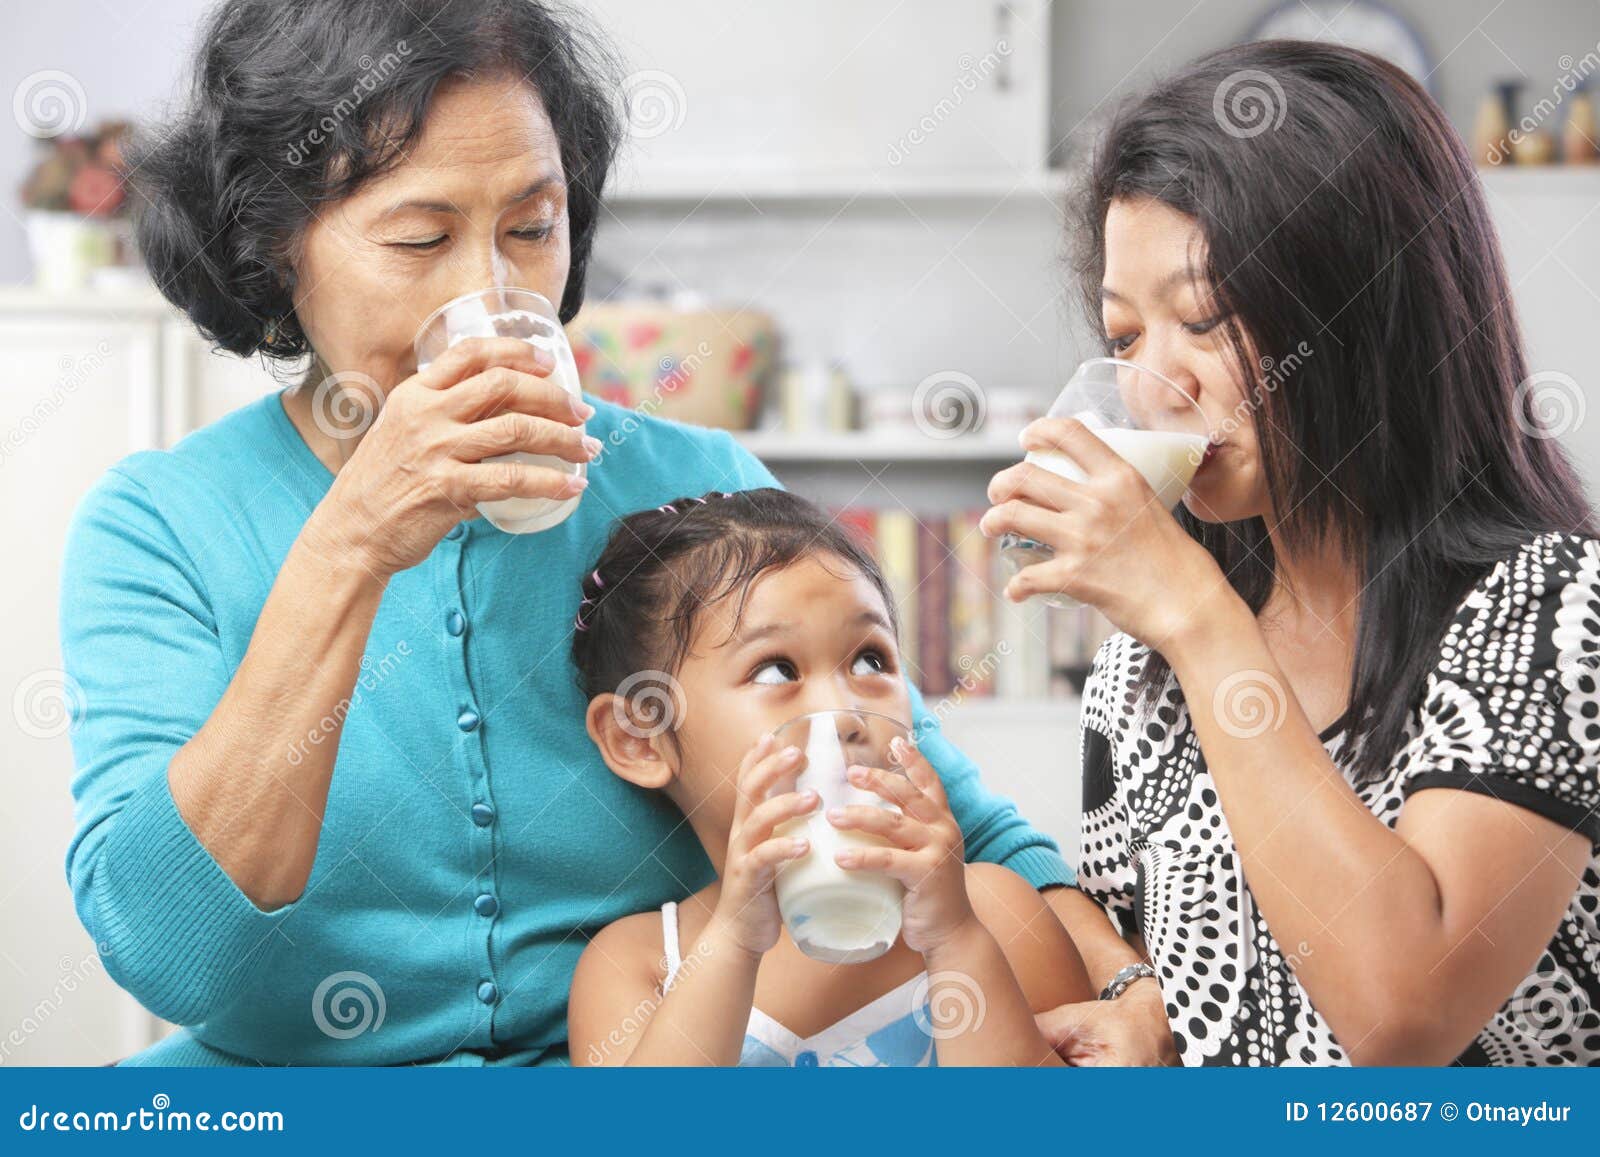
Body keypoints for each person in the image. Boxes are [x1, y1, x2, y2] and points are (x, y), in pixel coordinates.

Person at [61, 0, 1079, 1066]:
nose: (492, 293)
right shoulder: (161, 525)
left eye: (532, 228)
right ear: (276, 248)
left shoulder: (697, 487)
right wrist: (349, 547)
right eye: (421, 238)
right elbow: (167, 955)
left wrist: (1124, 983)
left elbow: (941, 809)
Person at [983, 40, 1600, 1065]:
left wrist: (1195, 618)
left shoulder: (1552, 607)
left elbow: (1401, 1021)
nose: (1154, 387)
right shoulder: (1137, 673)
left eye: (1205, 319)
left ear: (1368, 309)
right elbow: (1161, 966)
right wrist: (1141, 1009)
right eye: (1125, 338)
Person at [566, 490, 1092, 1066]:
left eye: (870, 661)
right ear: (640, 739)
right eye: (776, 670)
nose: (844, 715)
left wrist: (955, 942)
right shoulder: (639, 964)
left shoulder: (993, 912)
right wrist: (734, 943)